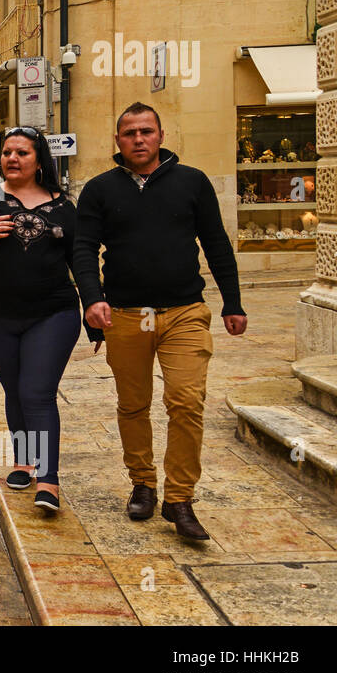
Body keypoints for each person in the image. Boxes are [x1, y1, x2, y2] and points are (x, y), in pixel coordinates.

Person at [73, 102, 247, 541]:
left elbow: (216, 243)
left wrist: (233, 302)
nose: (138, 139)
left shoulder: (192, 182)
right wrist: (92, 301)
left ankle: (180, 497)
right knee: (133, 405)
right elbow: (83, 249)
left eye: (146, 131)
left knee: (186, 401)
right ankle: (143, 484)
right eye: (129, 132)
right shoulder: (99, 189)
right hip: (128, 316)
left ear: (160, 135)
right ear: (118, 140)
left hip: (184, 312)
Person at [0, 128, 95, 514]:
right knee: (15, 388)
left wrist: (94, 310)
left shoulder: (64, 208)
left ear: (39, 159)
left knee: (37, 392)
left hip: (54, 313)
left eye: (22, 152)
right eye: (7, 152)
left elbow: (82, 262)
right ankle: (23, 462)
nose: (12, 158)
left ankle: (49, 480)